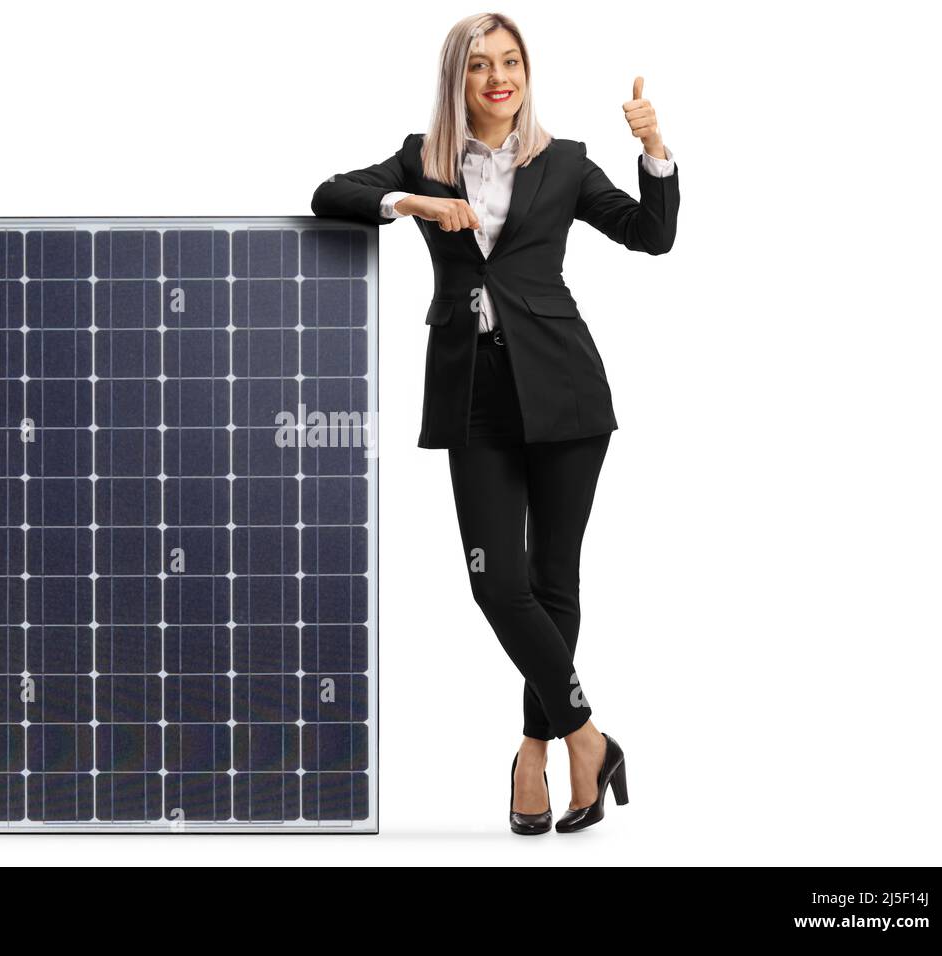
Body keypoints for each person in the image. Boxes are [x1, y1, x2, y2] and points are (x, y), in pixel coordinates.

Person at [310, 12, 680, 834]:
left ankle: (533, 754)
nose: (498, 77)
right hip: (471, 394)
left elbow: (652, 236)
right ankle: (589, 735)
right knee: (496, 584)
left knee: (554, 583)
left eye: (510, 61)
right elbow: (331, 194)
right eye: (480, 65)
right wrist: (413, 204)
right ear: (459, 78)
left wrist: (655, 151)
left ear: (526, 72)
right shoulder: (423, 159)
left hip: (567, 395)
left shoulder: (566, 162)